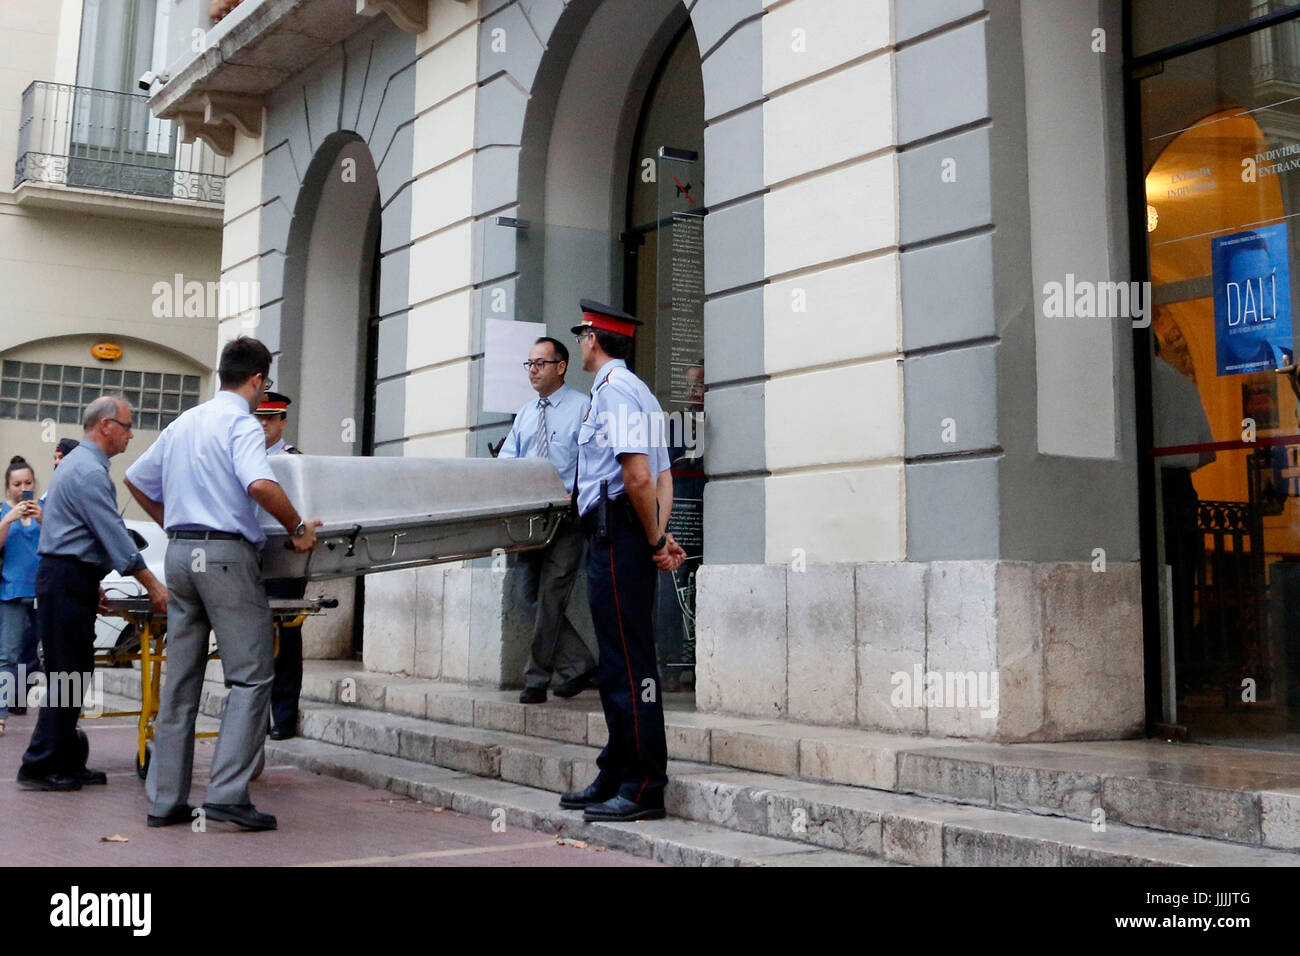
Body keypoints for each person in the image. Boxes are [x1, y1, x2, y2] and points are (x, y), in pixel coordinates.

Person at [125, 337, 320, 831]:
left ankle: (165, 798)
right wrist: (298, 530)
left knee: (182, 680)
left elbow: (135, 478)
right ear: (257, 380)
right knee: (252, 675)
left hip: (180, 557)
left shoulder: (186, 421)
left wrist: (174, 522)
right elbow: (259, 485)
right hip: (226, 558)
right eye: (265, 384)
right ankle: (228, 794)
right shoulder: (242, 423)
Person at [558, 300, 685, 823]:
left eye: (581, 334)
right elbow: (662, 478)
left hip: (617, 532)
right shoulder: (640, 392)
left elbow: (636, 476)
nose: (579, 341)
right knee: (621, 660)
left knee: (627, 664)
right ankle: (618, 767)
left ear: (593, 339)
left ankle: (642, 784)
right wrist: (659, 532)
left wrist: (653, 540)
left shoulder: (613, 392)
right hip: (628, 531)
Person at [16, 398, 167, 790]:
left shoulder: (84, 466)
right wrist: (152, 585)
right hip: (65, 579)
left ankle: (63, 758)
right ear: (105, 425)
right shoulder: (86, 470)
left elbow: (80, 535)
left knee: (75, 672)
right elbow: (111, 533)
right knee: (67, 673)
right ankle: (39, 764)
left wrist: (93, 581)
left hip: (71, 578)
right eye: (128, 426)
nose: (131, 434)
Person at [499, 337, 598, 704]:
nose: (533, 370)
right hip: (529, 521)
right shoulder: (526, 414)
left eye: (541, 363)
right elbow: (509, 463)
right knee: (526, 595)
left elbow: (593, 459)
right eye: (529, 364)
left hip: (567, 518)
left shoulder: (583, 407)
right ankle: (578, 664)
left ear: (561, 366)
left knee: (552, 596)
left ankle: (536, 679)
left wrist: (580, 493)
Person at [253, 390, 306, 739]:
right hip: (249, 555)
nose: (263, 425)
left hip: (285, 559)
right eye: (258, 418)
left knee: (285, 636)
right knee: (253, 637)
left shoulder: (295, 461)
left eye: (270, 419)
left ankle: (284, 713)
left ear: (283, 422)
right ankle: (255, 713)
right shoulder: (242, 454)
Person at [0, 457, 42, 732]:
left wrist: (44, 519)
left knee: (46, 657)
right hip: (12, 593)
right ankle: (1, 715)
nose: (22, 488)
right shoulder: (3, 512)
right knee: (8, 655)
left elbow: (59, 545)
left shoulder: (44, 511)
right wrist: (8, 519)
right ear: (7, 487)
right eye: (17, 484)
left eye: (27, 483)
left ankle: (61, 720)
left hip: (44, 594)